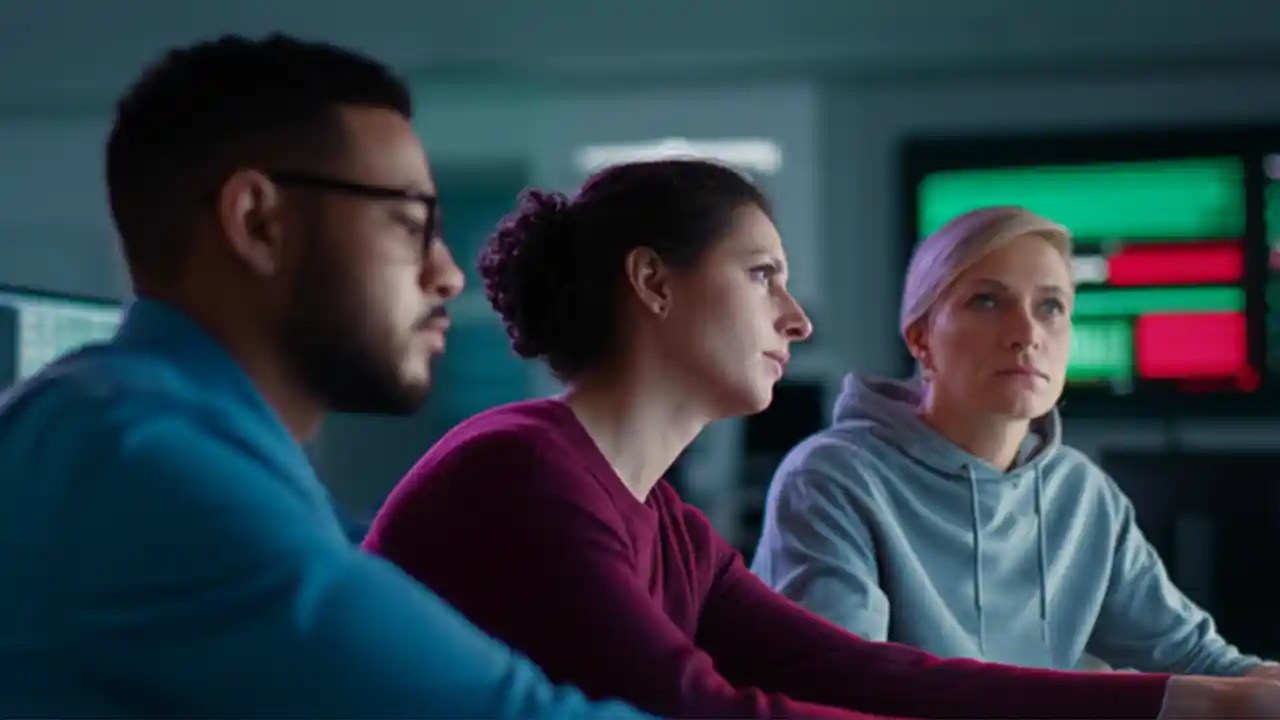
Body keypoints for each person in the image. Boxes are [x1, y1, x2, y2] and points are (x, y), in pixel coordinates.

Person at [363, 163, 1280, 719]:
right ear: (652, 282)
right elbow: (699, 711)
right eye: (763, 276)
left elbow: (875, 677)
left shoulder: (672, 529)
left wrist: (1196, 701)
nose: (796, 320)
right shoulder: (521, 471)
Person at [0, 34, 654, 720]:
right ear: (258, 223)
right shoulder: (141, 465)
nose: (448, 274)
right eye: (409, 224)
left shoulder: (145, 426)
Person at [751, 206, 1279, 679]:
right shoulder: (832, 479)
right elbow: (844, 690)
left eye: (1050, 307)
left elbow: (1200, 661)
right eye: (987, 301)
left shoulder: (1081, 494)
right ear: (921, 338)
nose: (1026, 333)